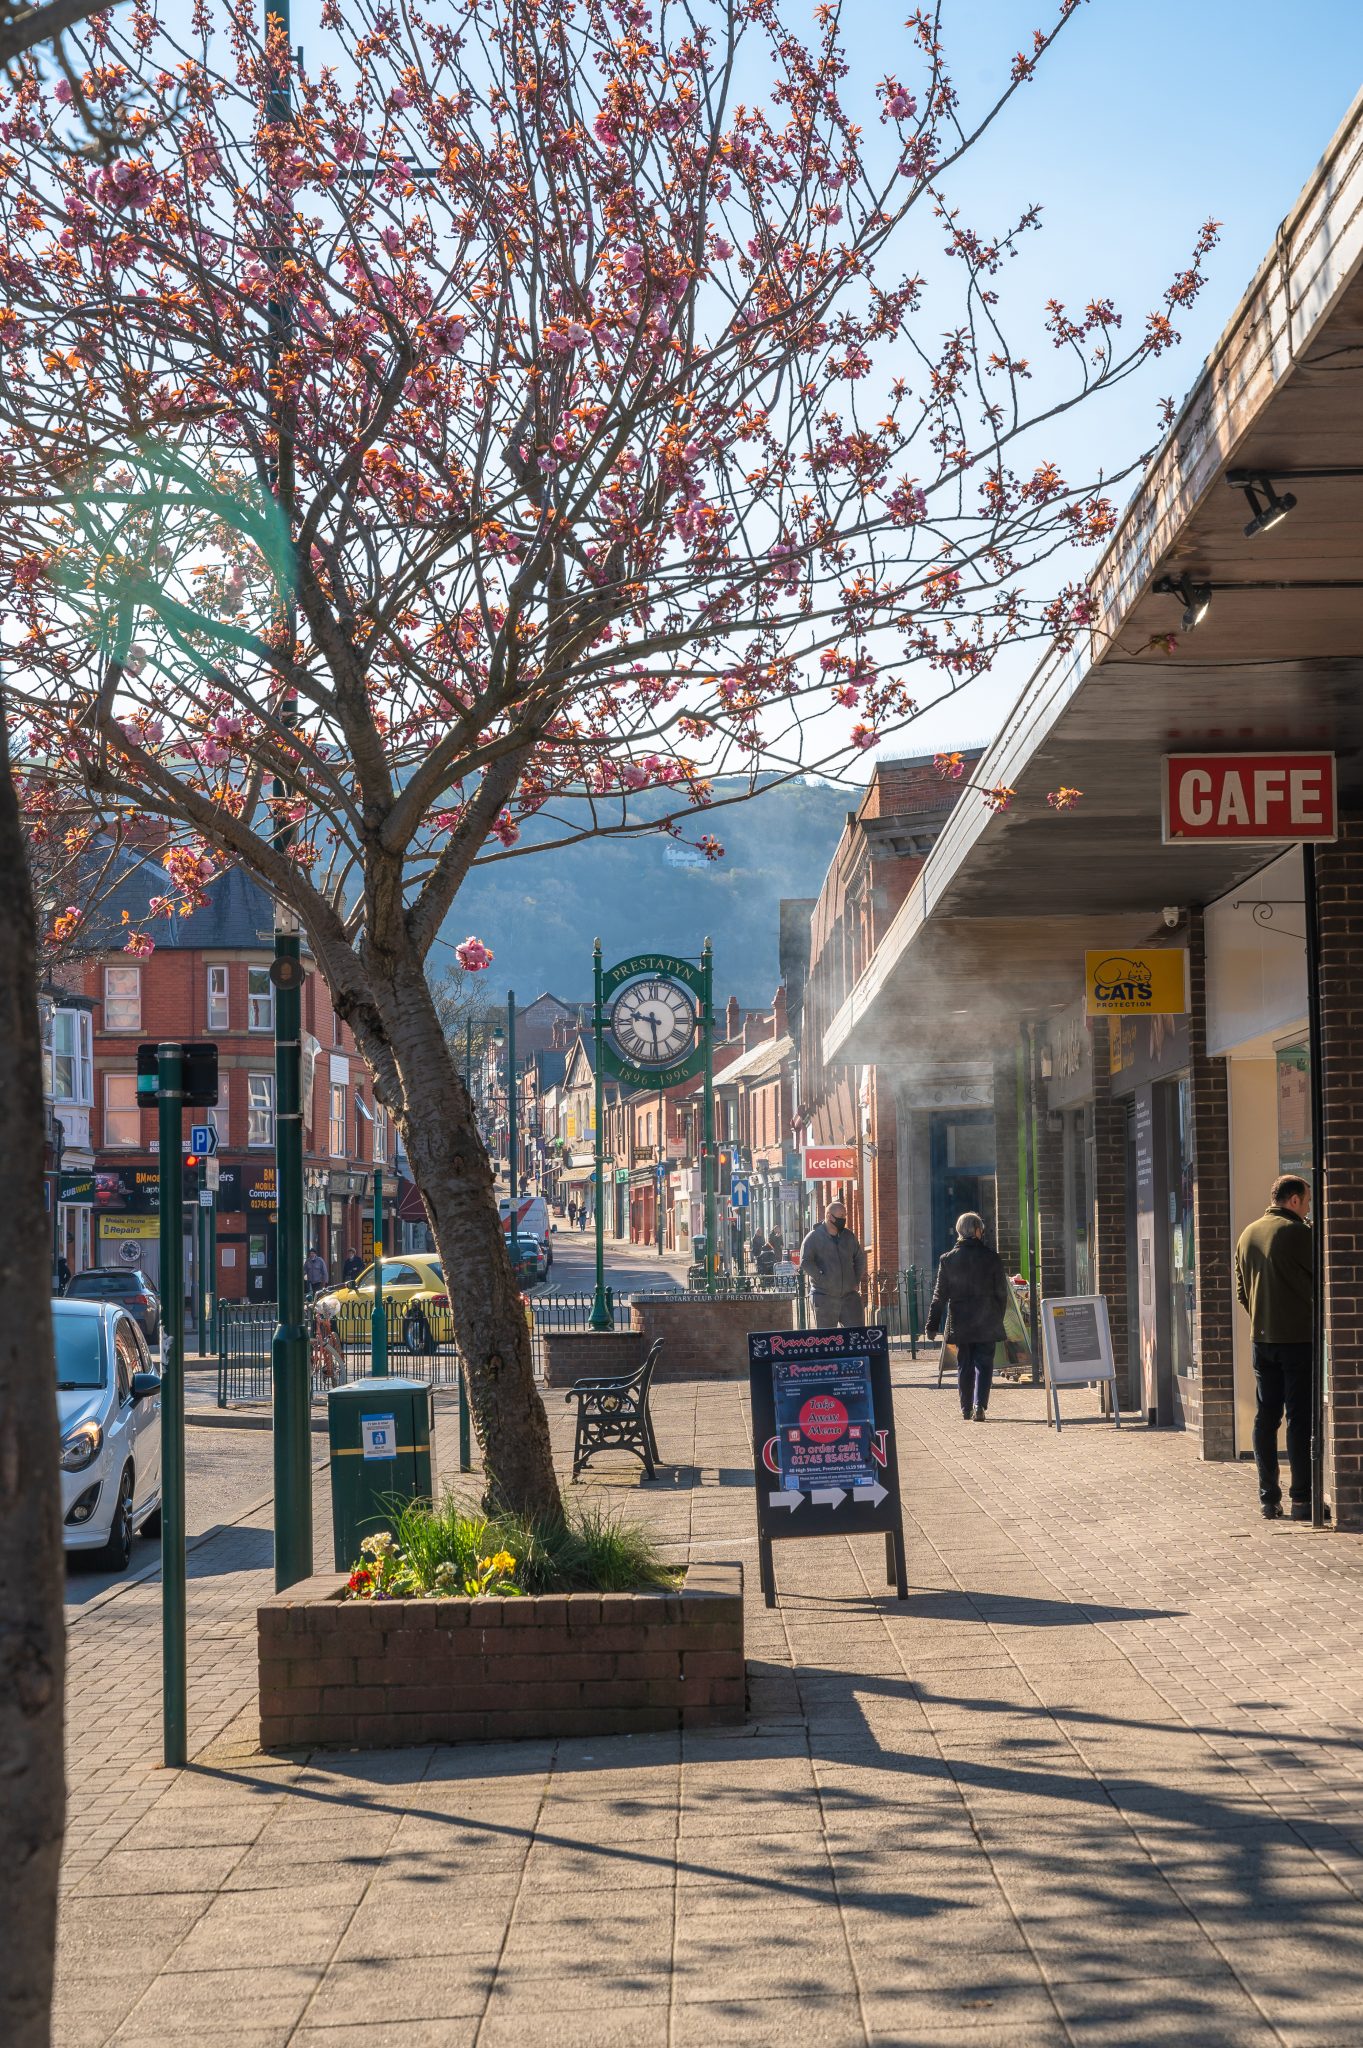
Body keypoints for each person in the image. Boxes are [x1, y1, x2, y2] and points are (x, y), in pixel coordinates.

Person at [1235, 1173, 1314, 1522]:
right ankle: (1302, 1500)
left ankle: (1268, 1498)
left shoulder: (1247, 1234)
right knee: (1299, 1419)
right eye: (1307, 1201)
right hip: (1297, 1338)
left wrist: (1262, 1315)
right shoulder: (1298, 1233)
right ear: (1294, 1200)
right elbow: (1324, 1276)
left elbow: (1241, 1292)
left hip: (1261, 1340)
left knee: (1266, 1416)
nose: (1308, 1208)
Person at [925, 1212, 1010, 1422]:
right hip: (987, 1319)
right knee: (984, 1363)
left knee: (965, 1364)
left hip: (961, 1321)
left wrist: (932, 1325)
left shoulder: (947, 1260)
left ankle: (965, 1408)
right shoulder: (991, 1257)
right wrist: (997, 1316)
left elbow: (939, 1296)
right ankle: (979, 1405)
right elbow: (1001, 1293)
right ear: (978, 1231)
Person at [798, 1201, 868, 1329]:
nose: (844, 1219)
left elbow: (859, 1259)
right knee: (827, 1339)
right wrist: (821, 1278)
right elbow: (805, 1261)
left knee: (856, 1336)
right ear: (829, 1216)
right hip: (824, 1297)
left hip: (849, 1297)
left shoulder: (849, 1236)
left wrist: (855, 1281)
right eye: (841, 1216)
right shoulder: (813, 1237)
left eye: (845, 1215)